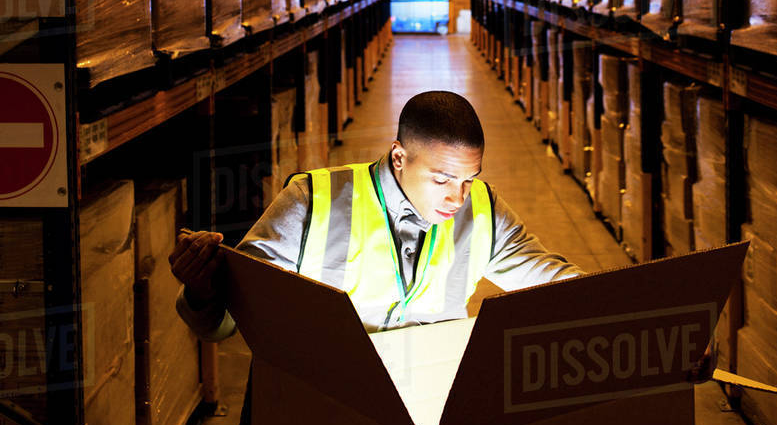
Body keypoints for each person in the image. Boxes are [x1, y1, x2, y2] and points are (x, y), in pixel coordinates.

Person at [171, 90, 584, 343]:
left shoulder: (482, 209)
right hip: (326, 401)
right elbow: (224, 323)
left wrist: (617, 300)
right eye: (442, 179)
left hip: (430, 398)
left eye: (468, 179)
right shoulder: (311, 203)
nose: (458, 197)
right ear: (399, 156)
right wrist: (204, 289)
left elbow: (553, 280)